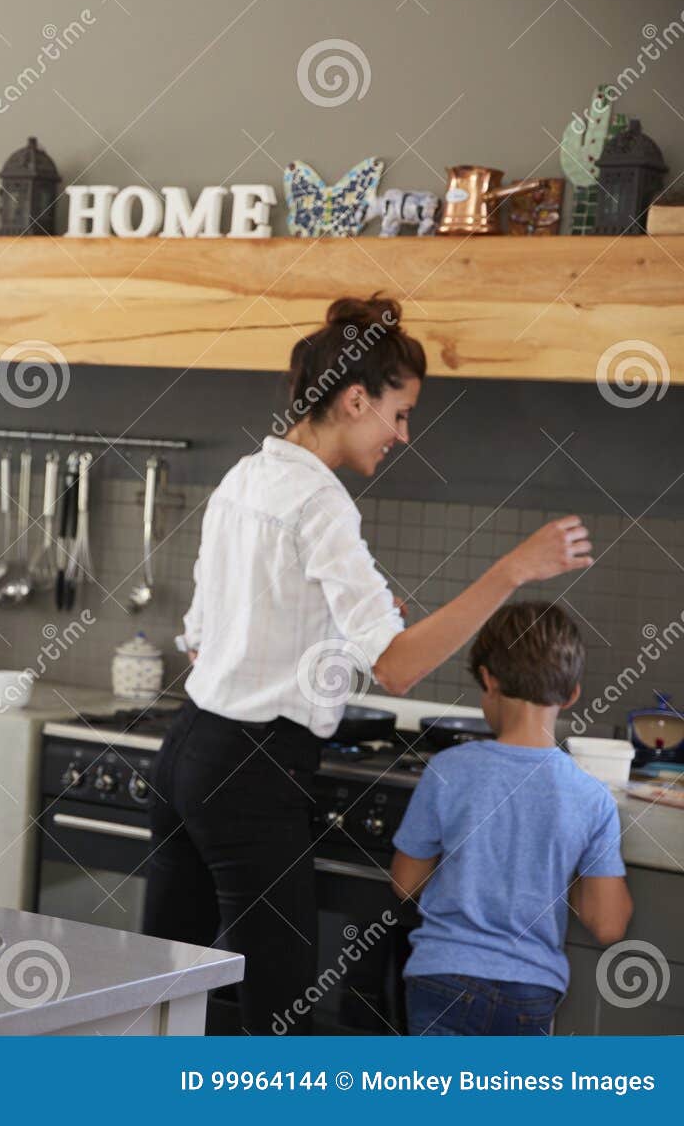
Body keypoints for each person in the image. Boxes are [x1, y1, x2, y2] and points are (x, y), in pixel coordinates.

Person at [142, 294, 596, 1034]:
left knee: (161, 997)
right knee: (278, 1017)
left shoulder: (245, 478)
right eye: (400, 412)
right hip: (254, 775)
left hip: (188, 752)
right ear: (356, 399)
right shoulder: (322, 502)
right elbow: (398, 670)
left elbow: (204, 639)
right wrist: (512, 569)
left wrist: (330, 633)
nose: (403, 434)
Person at [393, 602, 631, 1036]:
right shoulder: (592, 798)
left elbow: (405, 883)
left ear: (489, 679)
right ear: (573, 693)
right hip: (530, 989)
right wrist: (559, 866)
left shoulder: (448, 769)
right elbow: (609, 923)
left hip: (442, 977)